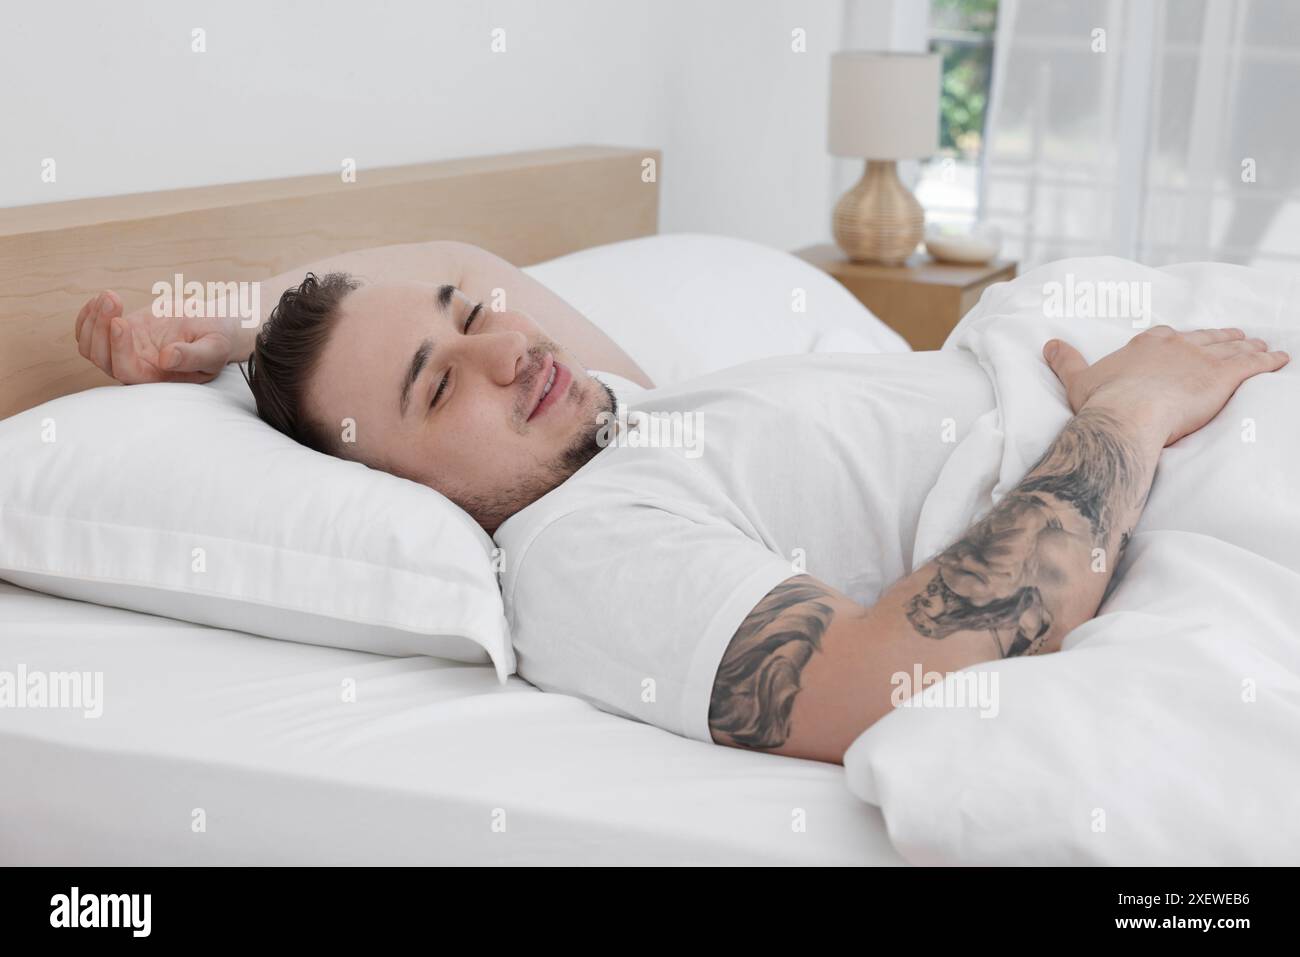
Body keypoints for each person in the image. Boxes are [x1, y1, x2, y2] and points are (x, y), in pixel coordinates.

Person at [74, 239, 1291, 764]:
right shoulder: (578, 550)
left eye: (467, 318)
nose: (507, 345)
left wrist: (235, 332)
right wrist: (1125, 413)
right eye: (438, 386)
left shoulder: (629, 422)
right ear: (403, 491)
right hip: (1164, 447)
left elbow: (474, 259)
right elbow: (886, 678)